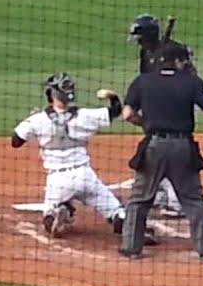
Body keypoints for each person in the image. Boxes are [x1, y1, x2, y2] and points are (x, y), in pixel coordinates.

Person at [11, 73, 157, 245]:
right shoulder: (85, 115)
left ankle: (59, 211)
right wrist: (113, 97)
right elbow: (115, 111)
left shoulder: (38, 120)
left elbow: (16, 141)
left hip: (58, 179)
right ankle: (131, 229)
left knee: (49, 214)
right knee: (115, 210)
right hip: (85, 176)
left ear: (51, 94)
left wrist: (36, 124)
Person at [119, 42, 203, 261]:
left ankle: (131, 247)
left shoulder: (142, 81)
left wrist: (145, 123)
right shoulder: (191, 81)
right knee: (193, 199)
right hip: (182, 147)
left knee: (139, 200)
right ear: (178, 61)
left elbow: (127, 114)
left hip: (153, 146)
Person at [128, 14, 187, 218]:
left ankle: (176, 201)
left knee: (165, 149)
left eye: (140, 38)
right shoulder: (147, 53)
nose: (138, 43)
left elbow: (187, 78)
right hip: (156, 105)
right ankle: (160, 193)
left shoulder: (173, 50)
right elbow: (147, 79)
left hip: (176, 105)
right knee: (152, 148)